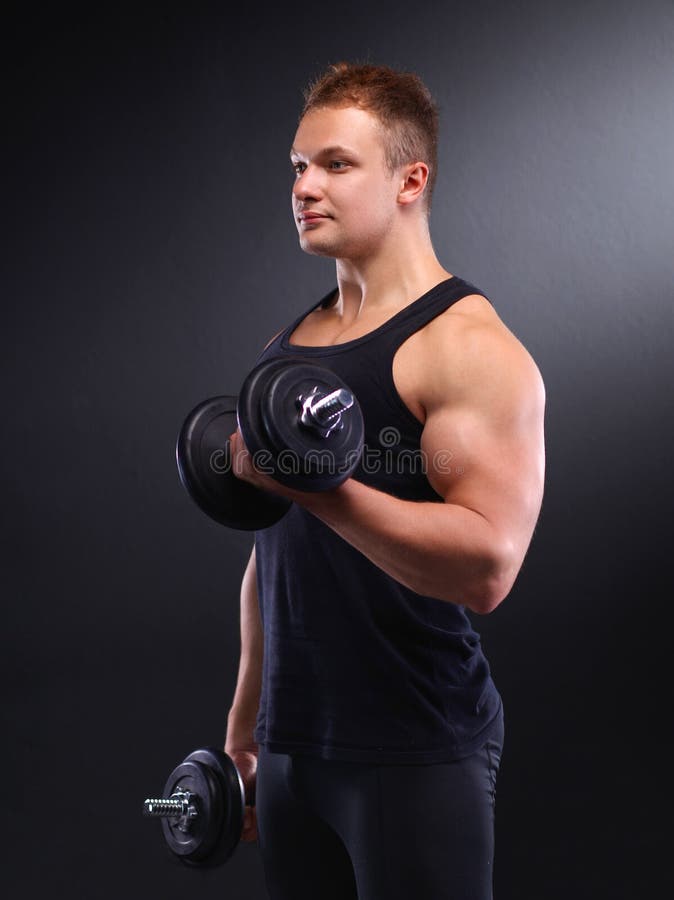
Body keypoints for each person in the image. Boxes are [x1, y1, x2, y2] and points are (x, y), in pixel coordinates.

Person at [225, 61, 545, 900]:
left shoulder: (467, 348)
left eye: (336, 164)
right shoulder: (290, 342)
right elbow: (273, 550)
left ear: (411, 179)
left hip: (413, 748)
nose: (305, 186)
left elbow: (486, 566)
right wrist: (246, 720)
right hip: (293, 747)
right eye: (298, 166)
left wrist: (312, 487)